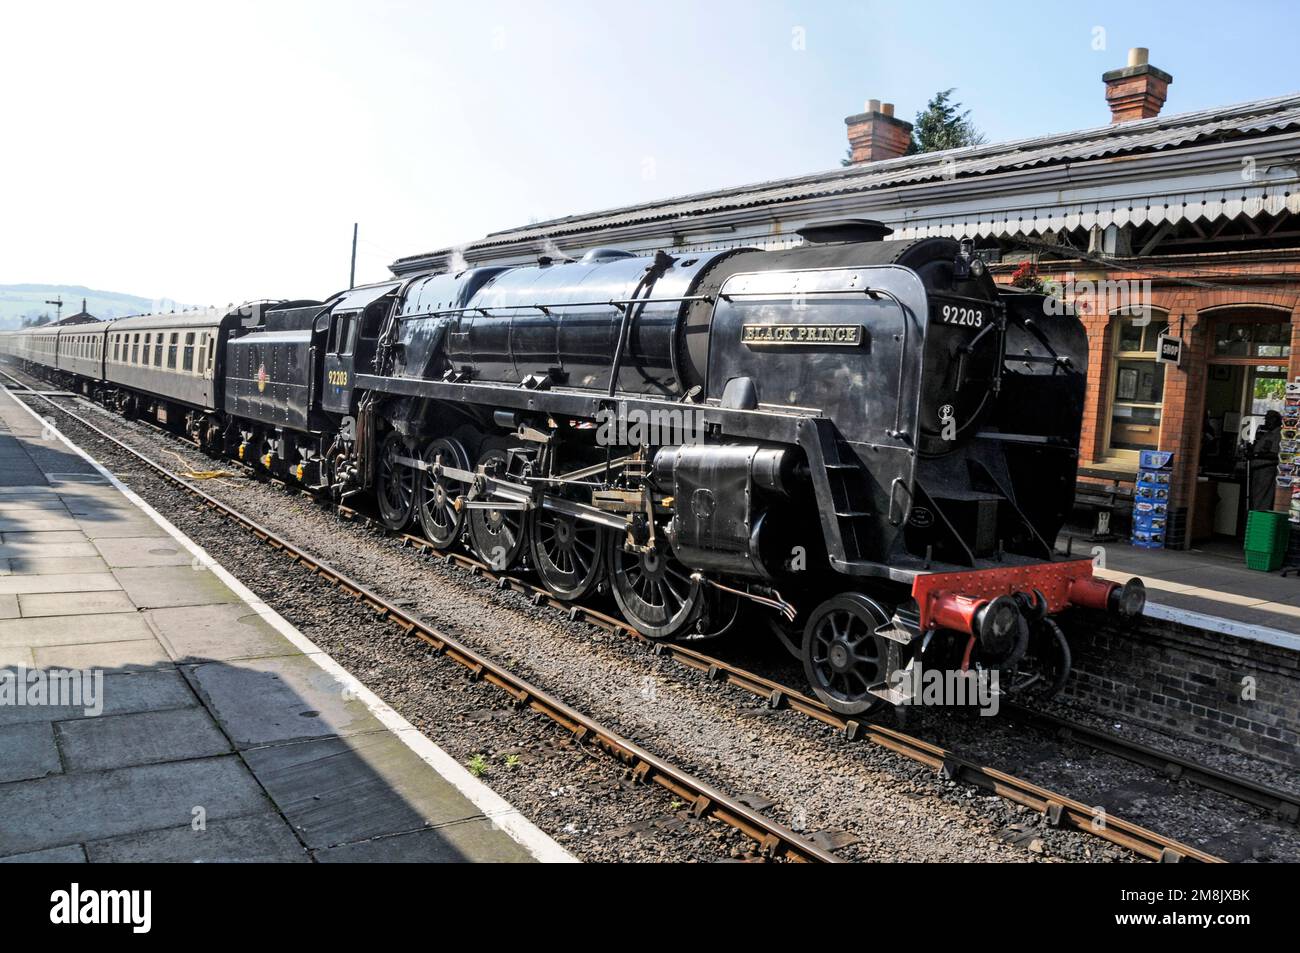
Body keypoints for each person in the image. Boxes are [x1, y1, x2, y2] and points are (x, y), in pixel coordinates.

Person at [1249, 410, 1283, 511]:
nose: (1266, 422)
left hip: (1267, 470)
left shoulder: (1278, 434)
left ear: (1275, 420)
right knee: (1256, 497)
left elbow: (1275, 455)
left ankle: (1258, 519)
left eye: (1268, 419)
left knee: (1261, 499)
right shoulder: (1267, 434)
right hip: (1258, 470)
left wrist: (1257, 454)